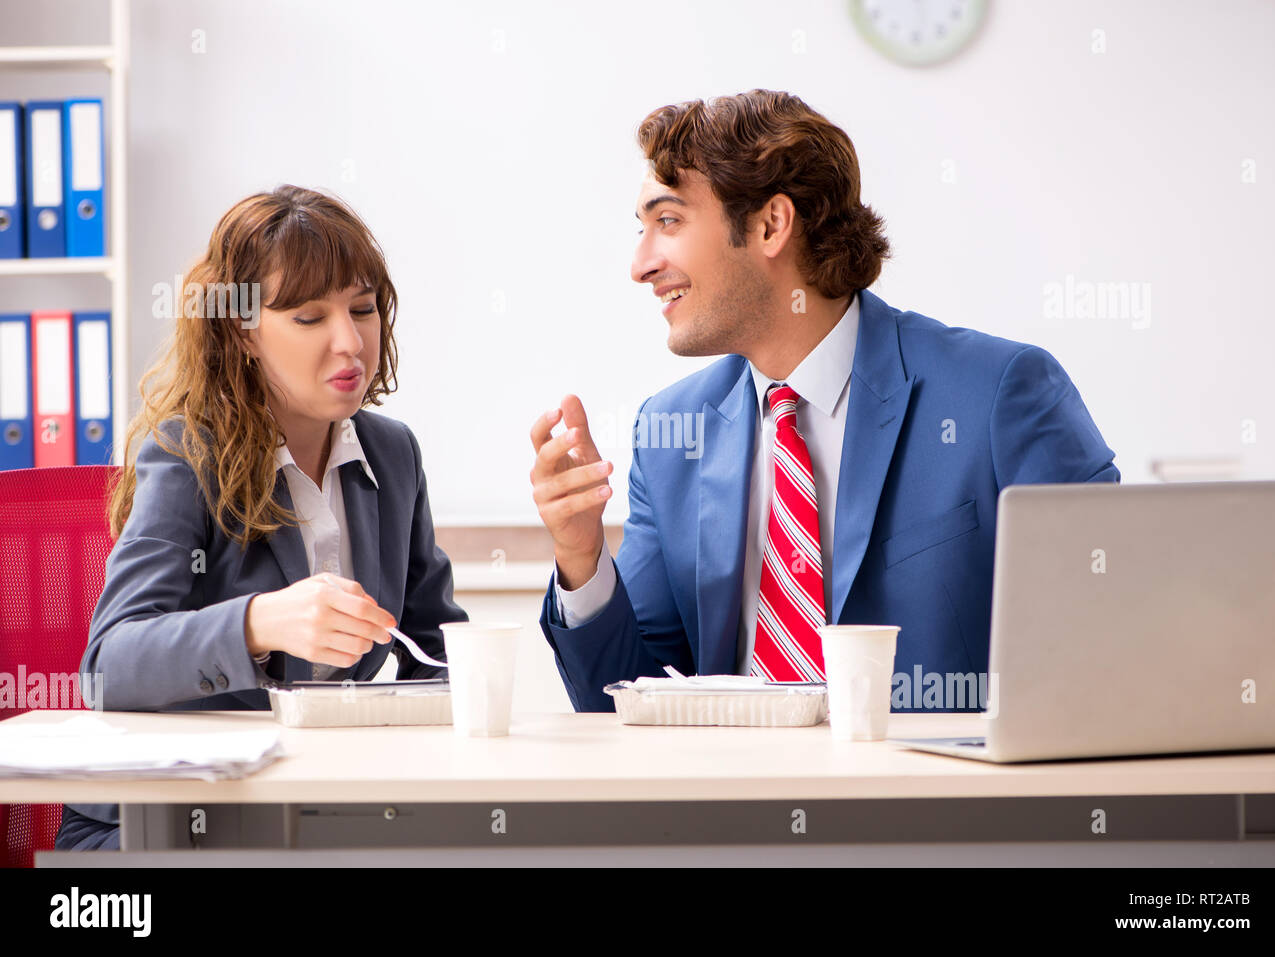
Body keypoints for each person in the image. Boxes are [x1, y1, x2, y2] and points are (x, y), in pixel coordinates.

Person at [528, 90, 1119, 713]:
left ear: (769, 225)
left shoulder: (1000, 392)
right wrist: (581, 556)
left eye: (668, 221)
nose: (640, 264)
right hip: (734, 802)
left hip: (933, 802)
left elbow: (1108, 641)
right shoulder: (673, 431)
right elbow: (628, 699)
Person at [57, 186, 466, 849]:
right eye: (309, 317)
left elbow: (434, 649)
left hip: (307, 811)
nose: (350, 341)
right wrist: (261, 621)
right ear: (241, 332)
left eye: (363, 309)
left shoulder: (393, 455)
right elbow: (110, 662)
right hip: (166, 823)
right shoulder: (187, 451)